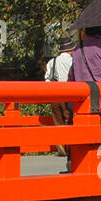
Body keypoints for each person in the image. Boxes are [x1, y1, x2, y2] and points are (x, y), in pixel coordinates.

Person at [44, 28, 76, 158]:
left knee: (57, 120)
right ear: (70, 50)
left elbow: (47, 79)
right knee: (68, 119)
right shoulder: (72, 61)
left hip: (55, 93)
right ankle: (69, 146)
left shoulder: (52, 62)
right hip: (68, 92)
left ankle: (60, 146)